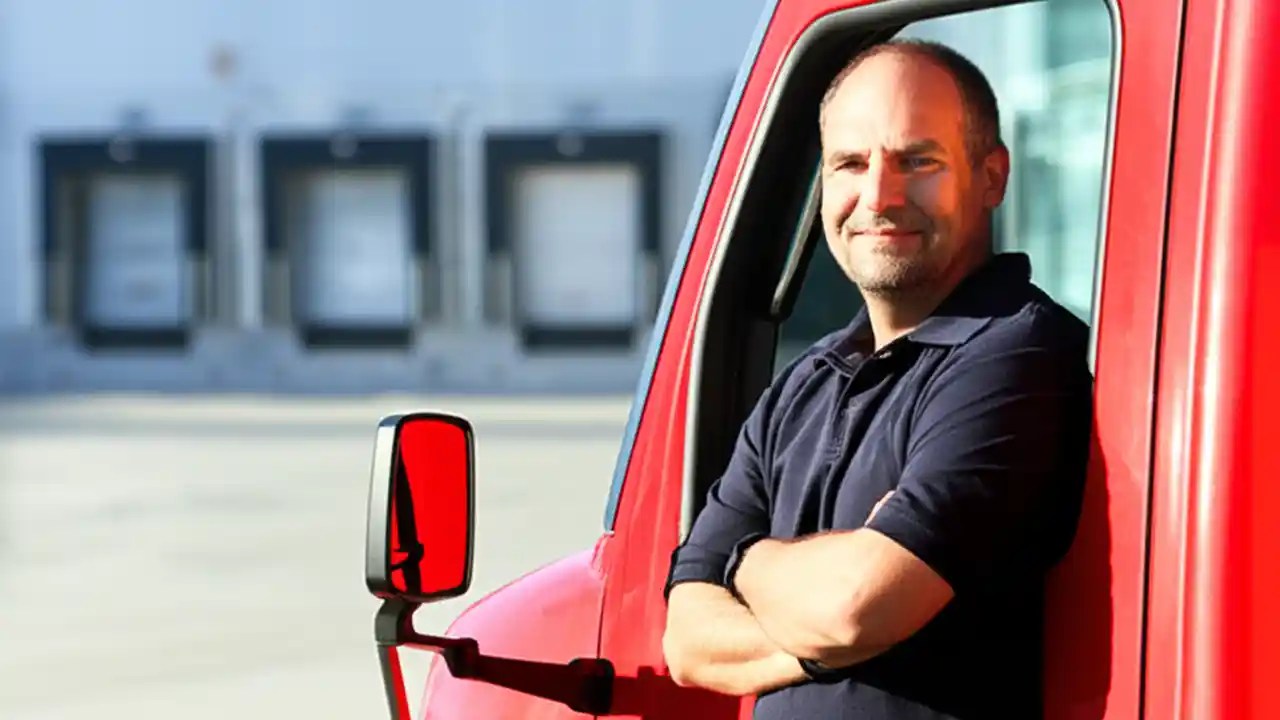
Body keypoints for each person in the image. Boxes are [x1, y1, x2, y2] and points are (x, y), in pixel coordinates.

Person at [661, 39, 1093, 719]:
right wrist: (818, 641)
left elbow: (853, 610)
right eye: (851, 164)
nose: (880, 196)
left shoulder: (1019, 358)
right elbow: (686, 642)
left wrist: (744, 564)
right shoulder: (802, 384)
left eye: (918, 161)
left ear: (991, 176)